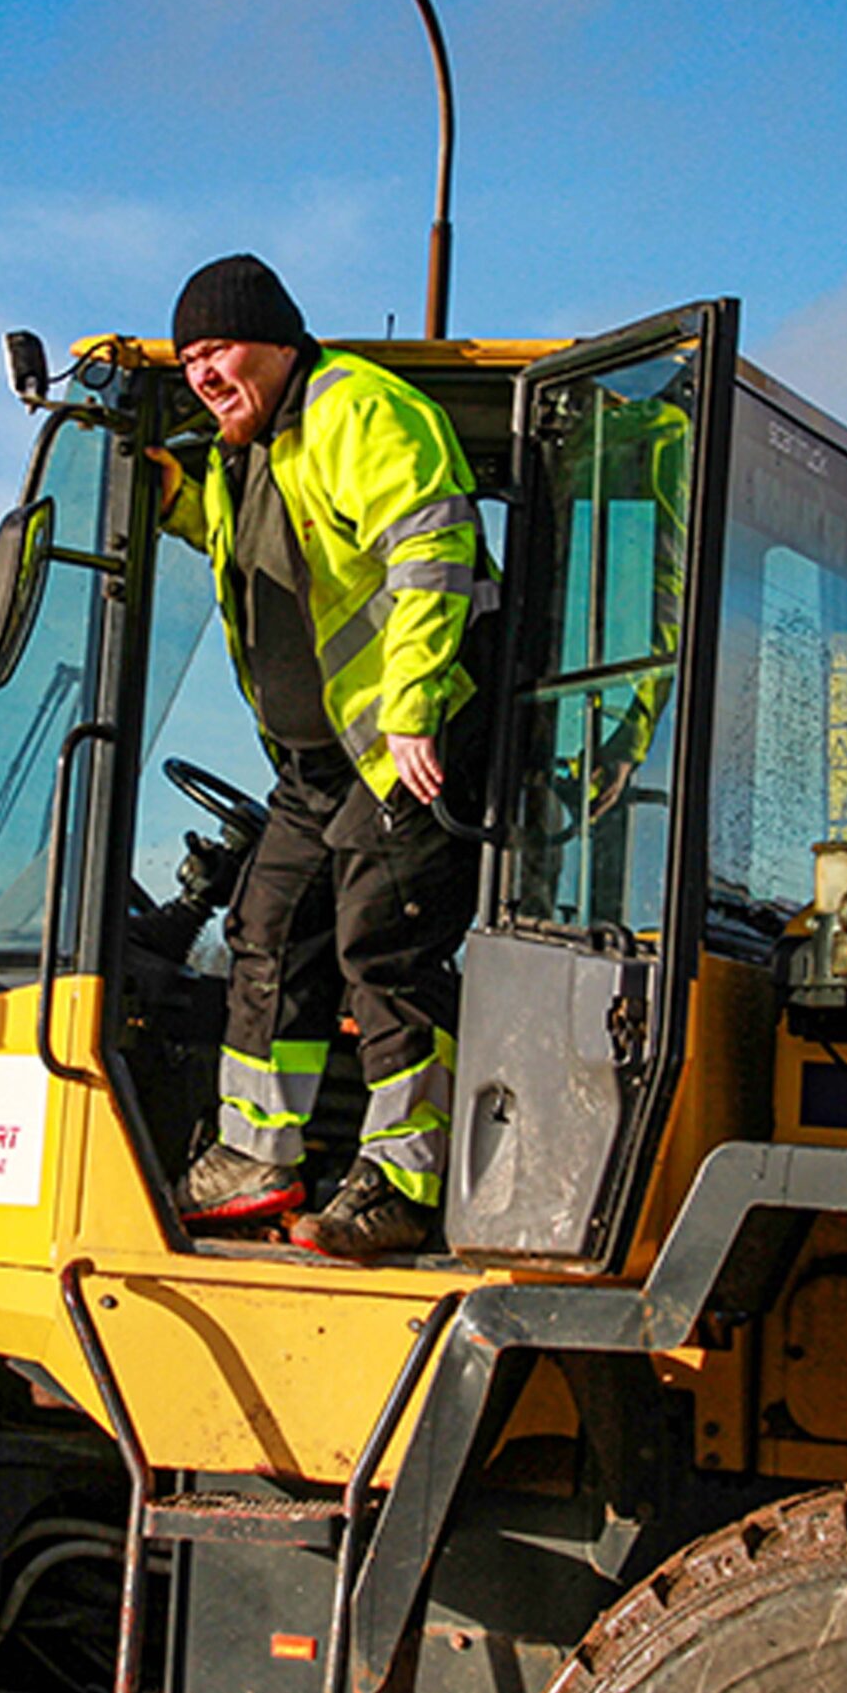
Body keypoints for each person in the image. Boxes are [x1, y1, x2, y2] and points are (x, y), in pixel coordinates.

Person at [153, 253, 490, 1259]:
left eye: (217, 350)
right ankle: (258, 1160)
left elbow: (431, 544)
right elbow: (245, 544)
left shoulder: (354, 411)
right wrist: (165, 495)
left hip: (407, 747)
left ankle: (401, 1185)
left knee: (385, 952)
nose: (203, 374)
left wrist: (415, 706)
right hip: (316, 765)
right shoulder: (249, 450)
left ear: (275, 342)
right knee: (268, 929)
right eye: (188, 361)